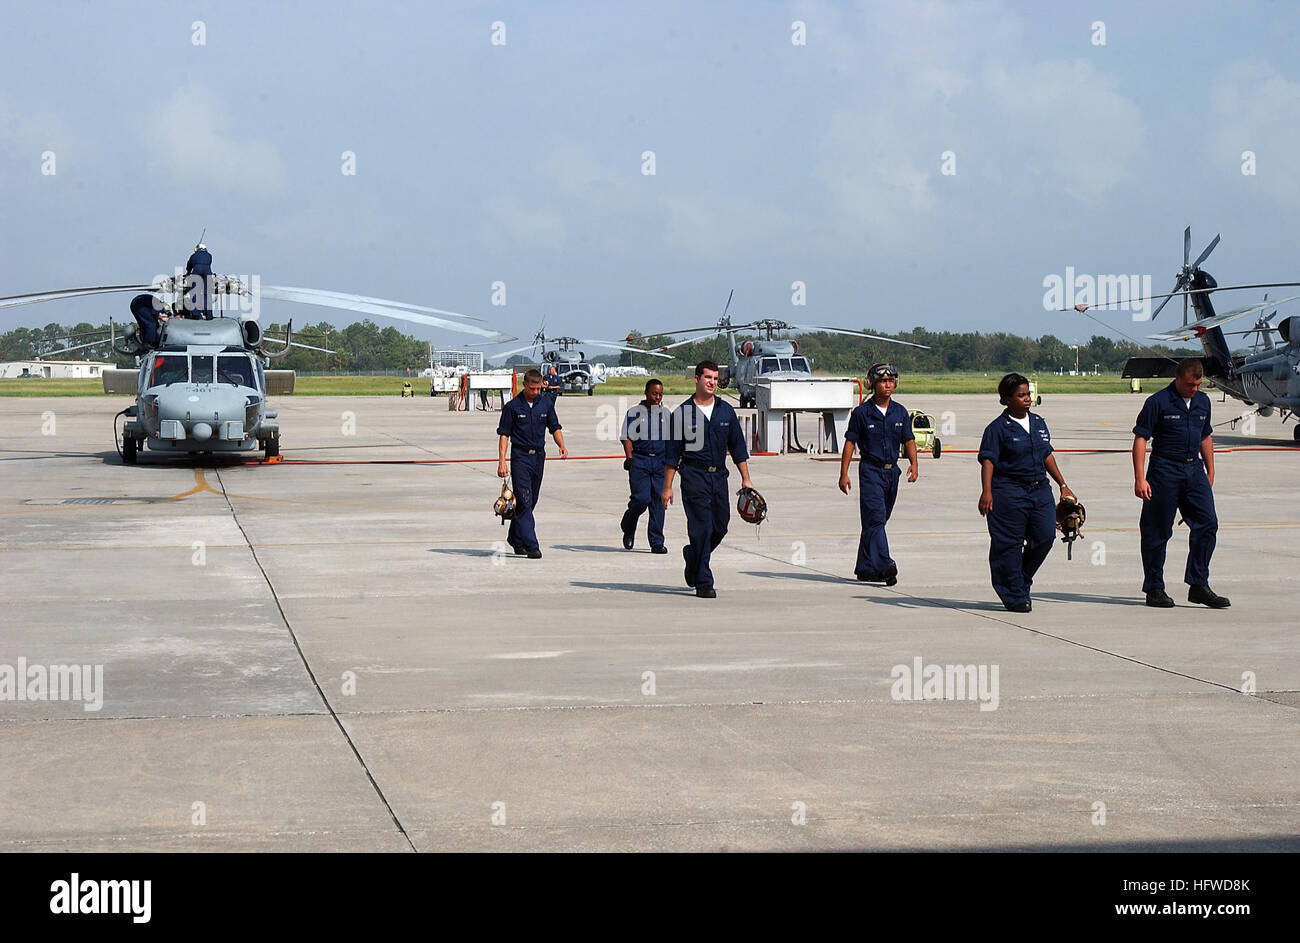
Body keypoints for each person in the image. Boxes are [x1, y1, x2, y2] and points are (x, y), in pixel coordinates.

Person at [1132, 358, 1228, 608]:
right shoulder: (1158, 402)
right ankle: (1154, 588)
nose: (1194, 389)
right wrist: (1140, 477)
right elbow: (1141, 438)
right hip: (1164, 469)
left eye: (1198, 384)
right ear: (1177, 378)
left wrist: (1211, 470)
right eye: (1189, 385)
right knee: (1157, 530)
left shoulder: (1203, 402)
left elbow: (1205, 435)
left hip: (1193, 469)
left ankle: (1198, 584)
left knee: (1208, 524)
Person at [977, 373, 1074, 613]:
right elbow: (988, 461)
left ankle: (1020, 579)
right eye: (1020, 395)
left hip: (1039, 489)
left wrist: (1063, 485)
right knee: (1008, 544)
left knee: (1045, 537)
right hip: (1008, 491)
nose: (1027, 399)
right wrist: (986, 491)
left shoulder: (1039, 422)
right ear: (1007, 399)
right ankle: (1013, 594)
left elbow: (1046, 454)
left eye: (1028, 394)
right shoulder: (997, 429)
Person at [663, 360, 755, 598]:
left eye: (716, 378)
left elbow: (738, 447)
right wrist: (667, 487)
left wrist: (746, 479)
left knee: (720, 526)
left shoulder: (726, 411)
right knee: (701, 528)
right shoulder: (682, 413)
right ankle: (704, 581)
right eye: (708, 378)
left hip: (719, 477)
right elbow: (672, 455)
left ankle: (693, 557)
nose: (713, 382)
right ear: (697, 379)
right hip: (694, 477)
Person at [839, 363, 917, 585]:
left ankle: (865, 568)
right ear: (873, 384)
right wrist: (844, 473)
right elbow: (850, 443)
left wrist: (914, 463)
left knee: (877, 522)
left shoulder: (900, 411)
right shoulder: (862, 413)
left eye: (891, 381)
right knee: (875, 520)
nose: (888, 385)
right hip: (871, 472)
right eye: (883, 381)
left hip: (892, 473)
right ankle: (885, 565)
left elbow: (908, 439)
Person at [497, 368, 568, 558]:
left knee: (531, 500)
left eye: (538, 389)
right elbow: (504, 434)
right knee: (525, 499)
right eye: (532, 389)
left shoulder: (545, 404)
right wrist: (502, 461)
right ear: (525, 385)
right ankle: (531, 545)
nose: (536, 392)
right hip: (520, 457)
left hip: (538, 457)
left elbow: (554, 426)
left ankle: (515, 538)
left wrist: (561, 445)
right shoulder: (512, 407)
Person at [620, 378, 670, 553]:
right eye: (654, 393)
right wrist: (630, 458)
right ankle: (629, 524)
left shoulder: (666, 414)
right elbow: (626, 436)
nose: (657, 397)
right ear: (646, 393)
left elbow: (673, 440)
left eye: (660, 394)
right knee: (641, 500)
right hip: (640, 460)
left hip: (660, 462)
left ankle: (656, 542)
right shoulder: (634, 413)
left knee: (658, 501)